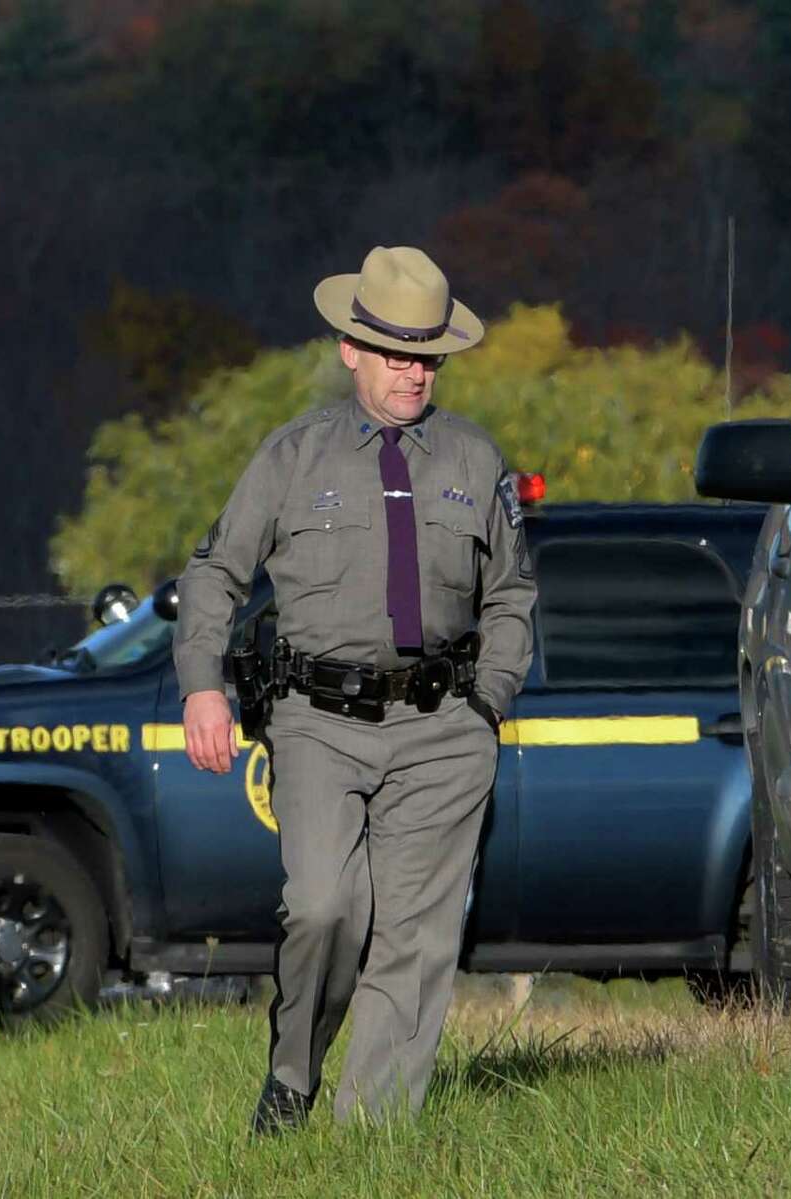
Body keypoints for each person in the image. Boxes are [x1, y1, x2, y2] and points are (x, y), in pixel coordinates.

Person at [174, 246, 536, 1131]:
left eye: (428, 354)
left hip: (445, 726)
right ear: (352, 349)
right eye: (396, 351)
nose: (414, 370)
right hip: (317, 723)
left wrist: (488, 701)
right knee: (327, 907)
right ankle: (293, 1073)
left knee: (415, 938)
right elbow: (216, 570)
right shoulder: (292, 456)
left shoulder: (473, 457)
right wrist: (202, 687)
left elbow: (514, 593)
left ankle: (368, 1139)